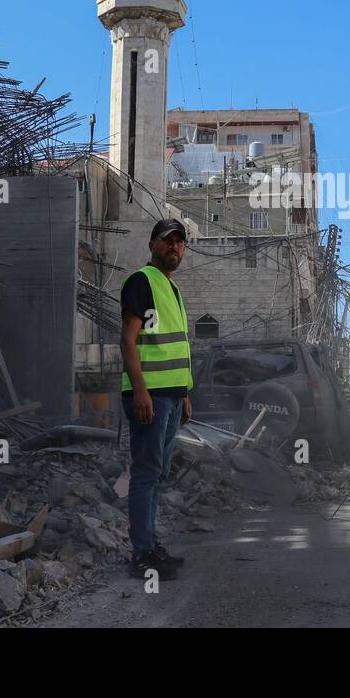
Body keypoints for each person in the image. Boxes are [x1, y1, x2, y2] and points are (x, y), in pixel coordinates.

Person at [119, 218, 194, 580]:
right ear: (152, 245)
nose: (175, 247)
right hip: (150, 398)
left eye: (180, 242)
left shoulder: (172, 289)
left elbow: (175, 348)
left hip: (171, 398)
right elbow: (128, 342)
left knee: (158, 475)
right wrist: (141, 392)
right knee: (146, 474)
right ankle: (141, 554)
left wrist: (184, 395)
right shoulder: (142, 281)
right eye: (168, 240)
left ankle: (150, 545)